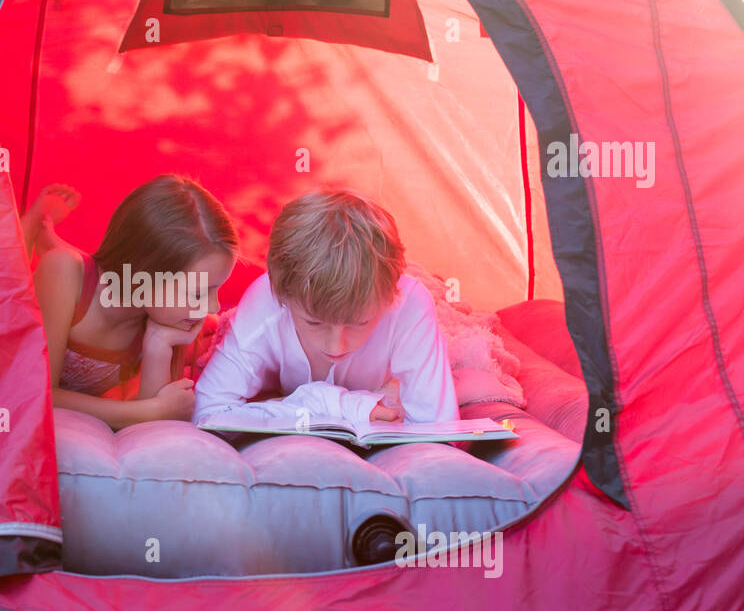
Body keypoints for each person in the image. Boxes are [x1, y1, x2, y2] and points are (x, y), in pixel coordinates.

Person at [193, 190, 458, 428]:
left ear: (389, 298)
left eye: (359, 322)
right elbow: (207, 413)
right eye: (315, 323)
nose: (336, 347)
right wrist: (324, 402)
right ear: (283, 297)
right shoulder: (268, 300)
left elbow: (438, 427)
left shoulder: (407, 302)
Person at [29, 175, 238, 430]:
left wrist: (158, 344)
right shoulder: (63, 272)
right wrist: (147, 410)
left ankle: (45, 235)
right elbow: (37, 393)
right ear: (145, 276)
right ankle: (37, 230)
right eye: (197, 293)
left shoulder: (159, 320)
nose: (213, 305)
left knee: (214, 330)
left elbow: (151, 427)